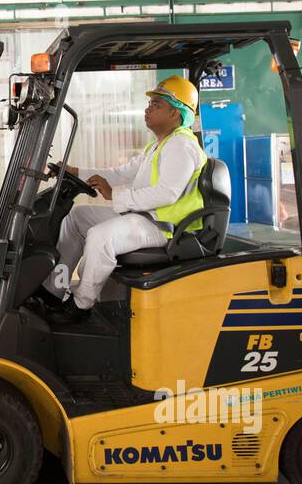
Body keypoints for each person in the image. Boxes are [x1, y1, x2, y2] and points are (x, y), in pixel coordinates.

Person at [41, 77, 206, 324]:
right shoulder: (158, 146)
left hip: (165, 226)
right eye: (149, 103)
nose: (147, 109)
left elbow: (167, 192)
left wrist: (114, 195)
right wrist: (74, 172)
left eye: (156, 104)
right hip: (145, 217)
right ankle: (54, 289)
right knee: (77, 217)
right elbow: (118, 174)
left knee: (101, 236)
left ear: (175, 112)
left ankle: (81, 305)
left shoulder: (181, 145)